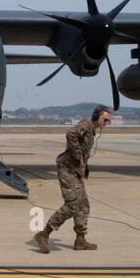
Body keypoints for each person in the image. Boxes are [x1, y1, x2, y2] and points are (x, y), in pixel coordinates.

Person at [33, 106, 110, 252]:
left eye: (108, 121)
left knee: (83, 206)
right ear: (96, 116)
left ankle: (80, 240)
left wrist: (84, 167)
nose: (106, 122)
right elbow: (70, 134)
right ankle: (44, 234)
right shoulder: (86, 125)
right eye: (105, 119)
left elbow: (82, 149)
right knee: (72, 205)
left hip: (76, 173)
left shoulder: (92, 131)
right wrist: (77, 156)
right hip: (66, 170)